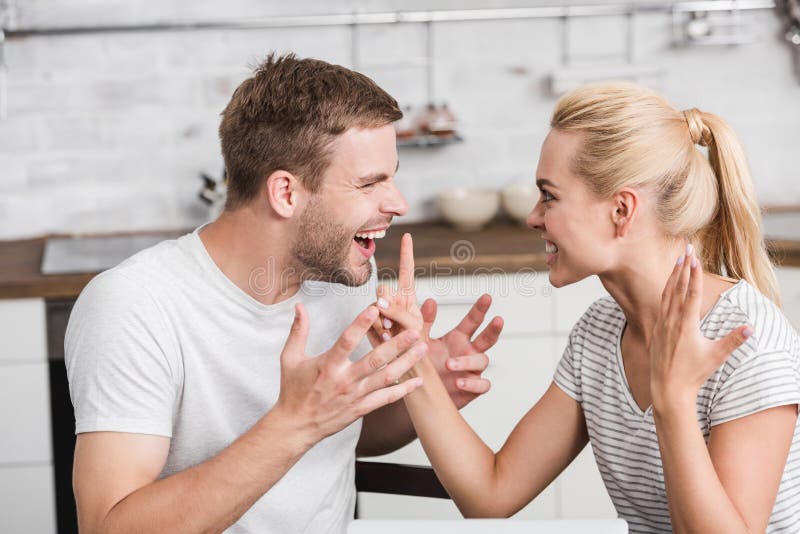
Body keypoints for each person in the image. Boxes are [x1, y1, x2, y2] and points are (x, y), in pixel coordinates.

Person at [65, 53, 503, 534]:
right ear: (286, 194)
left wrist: (417, 394)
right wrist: (295, 423)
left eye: (392, 177)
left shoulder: (341, 274)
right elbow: (108, 527)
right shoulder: (134, 305)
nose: (397, 203)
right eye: (370, 183)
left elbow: (340, 437)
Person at [378, 82, 800, 533]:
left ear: (621, 209)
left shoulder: (748, 343)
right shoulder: (599, 334)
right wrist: (414, 364)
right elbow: (491, 494)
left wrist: (674, 401)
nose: (533, 216)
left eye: (550, 195)